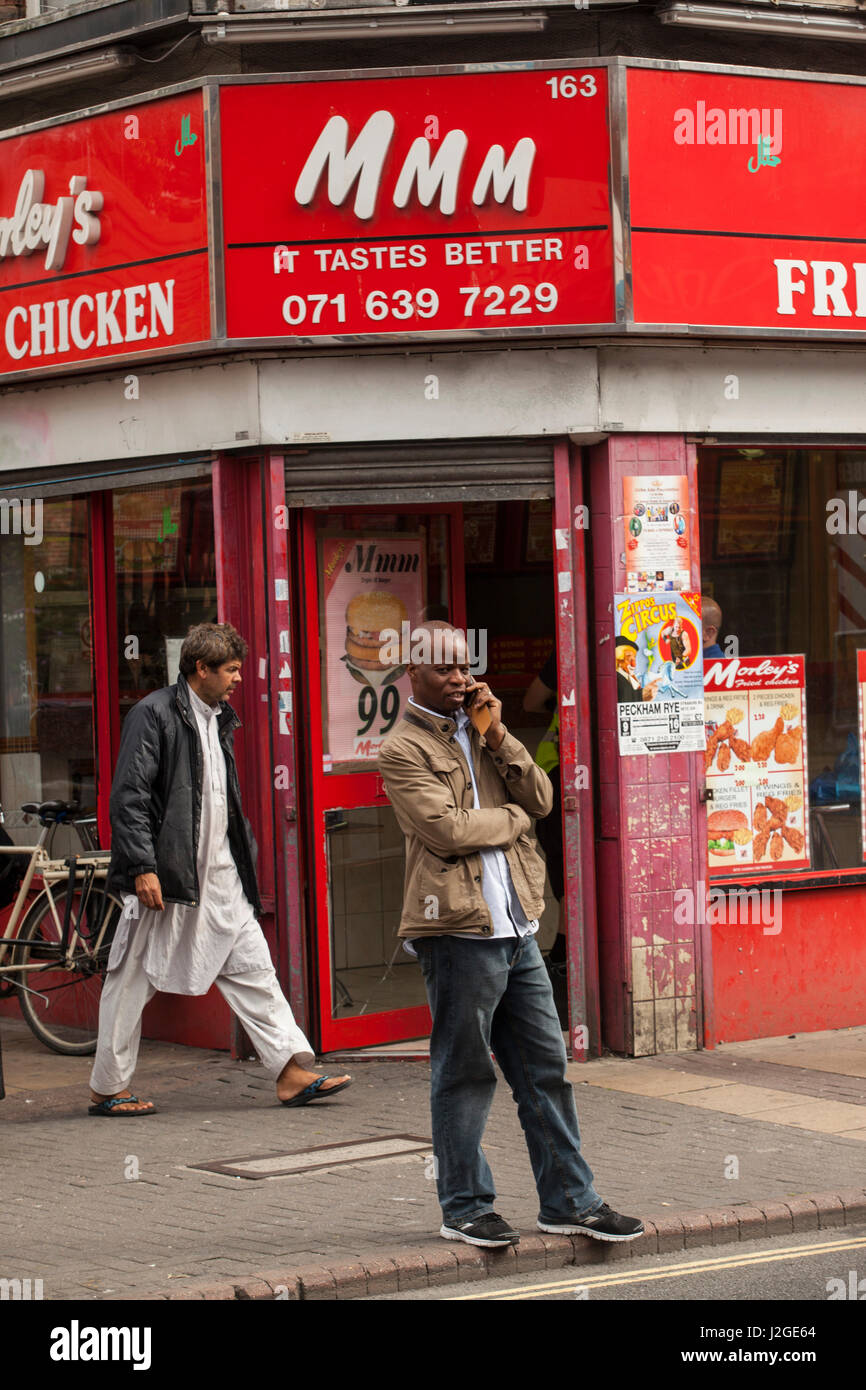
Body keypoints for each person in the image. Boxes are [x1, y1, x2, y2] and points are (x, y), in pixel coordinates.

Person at [378, 623, 644, 1248]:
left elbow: (543, 798)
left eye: (463, 666)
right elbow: (446, 831)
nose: (458, 678)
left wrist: (497, 734)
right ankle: (466, 1207)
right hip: (458, 930)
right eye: (442, 669)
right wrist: (513, 819)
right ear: (411, 675)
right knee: (466, 1072)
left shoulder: (484, 732)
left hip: (517, 923)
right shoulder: (403, 749)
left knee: (545, 1069)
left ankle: (569, 1201)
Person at [88, 623, 350, 1116]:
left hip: (221, 873)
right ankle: (108, 1087)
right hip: (167, 878)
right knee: (132, 978)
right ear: (200, 668)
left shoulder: (218, 716)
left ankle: (291, 1069)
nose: (237, 680)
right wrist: (143, 866)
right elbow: (130, 797)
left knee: (254, 968)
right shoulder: (153, 713)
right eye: (230, 670)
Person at [616, 637, 660, 703]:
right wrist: (641, 695)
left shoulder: (629, 677)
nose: (634, 664)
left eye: (634, 658)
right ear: (618, 660)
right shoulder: (617, 679)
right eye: (628, 658)